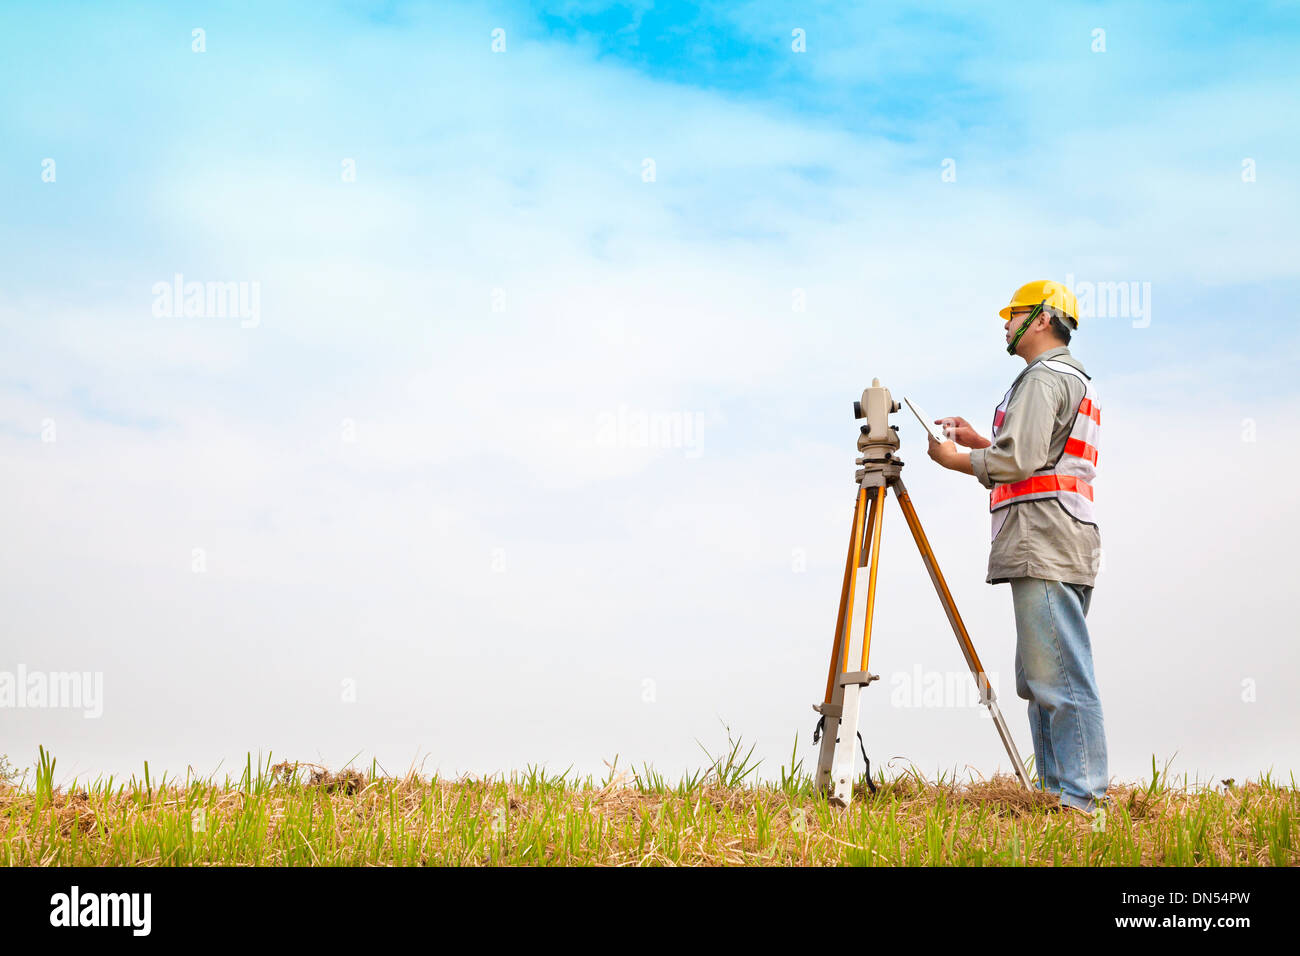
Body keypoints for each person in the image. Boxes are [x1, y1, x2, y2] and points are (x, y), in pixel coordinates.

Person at [925, 280, 1109, 817]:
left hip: (1045, 537)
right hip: (1062, 534)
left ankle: (1081, 802)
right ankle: (1059, 794)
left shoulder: (1042, 379)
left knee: (1059, 675)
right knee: (1042, 672)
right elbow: (1035, 456)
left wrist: (956, 458)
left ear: (1043, 320)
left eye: (1014, 315)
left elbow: (1019, 463)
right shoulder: (1071, 379)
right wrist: (983, 444)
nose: (1005, 324)